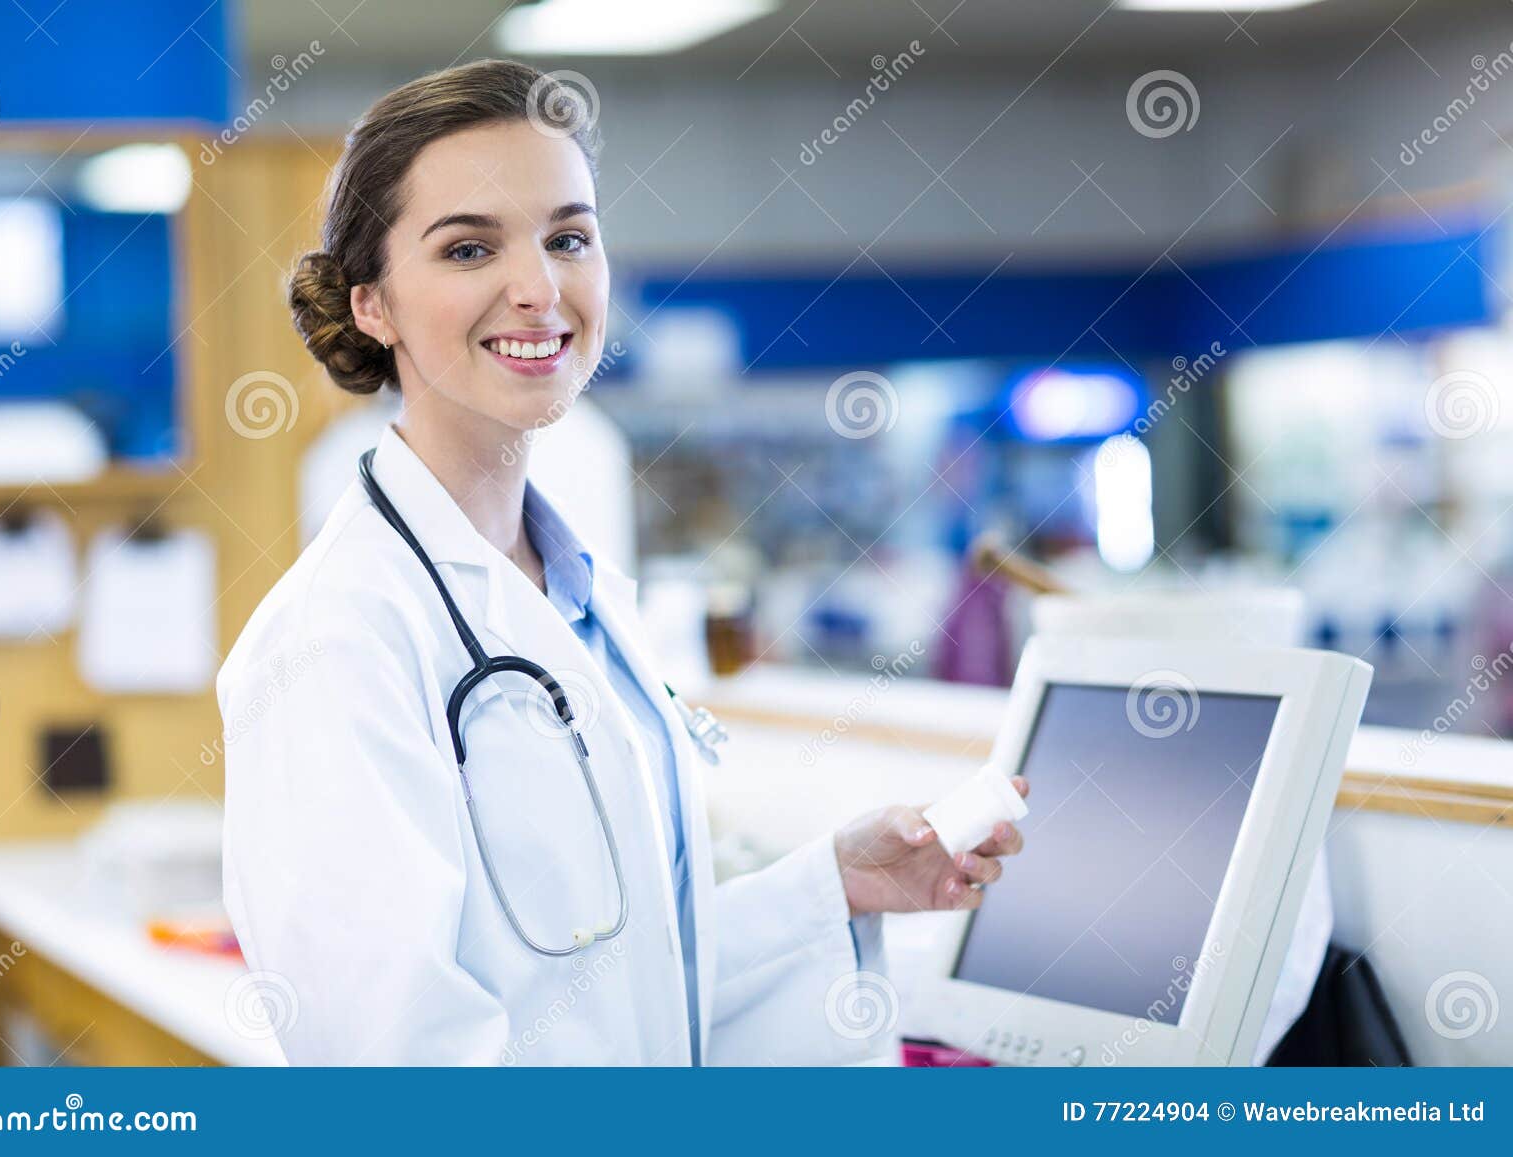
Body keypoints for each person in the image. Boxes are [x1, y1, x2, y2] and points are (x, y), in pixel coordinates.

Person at [216, 59, 1026, 1066]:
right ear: (372, 302)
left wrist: (832, 882)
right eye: (468, 247)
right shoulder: (333, 643)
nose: (538, 289)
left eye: (567, 238)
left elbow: (625, 989)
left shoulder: (577, 599)